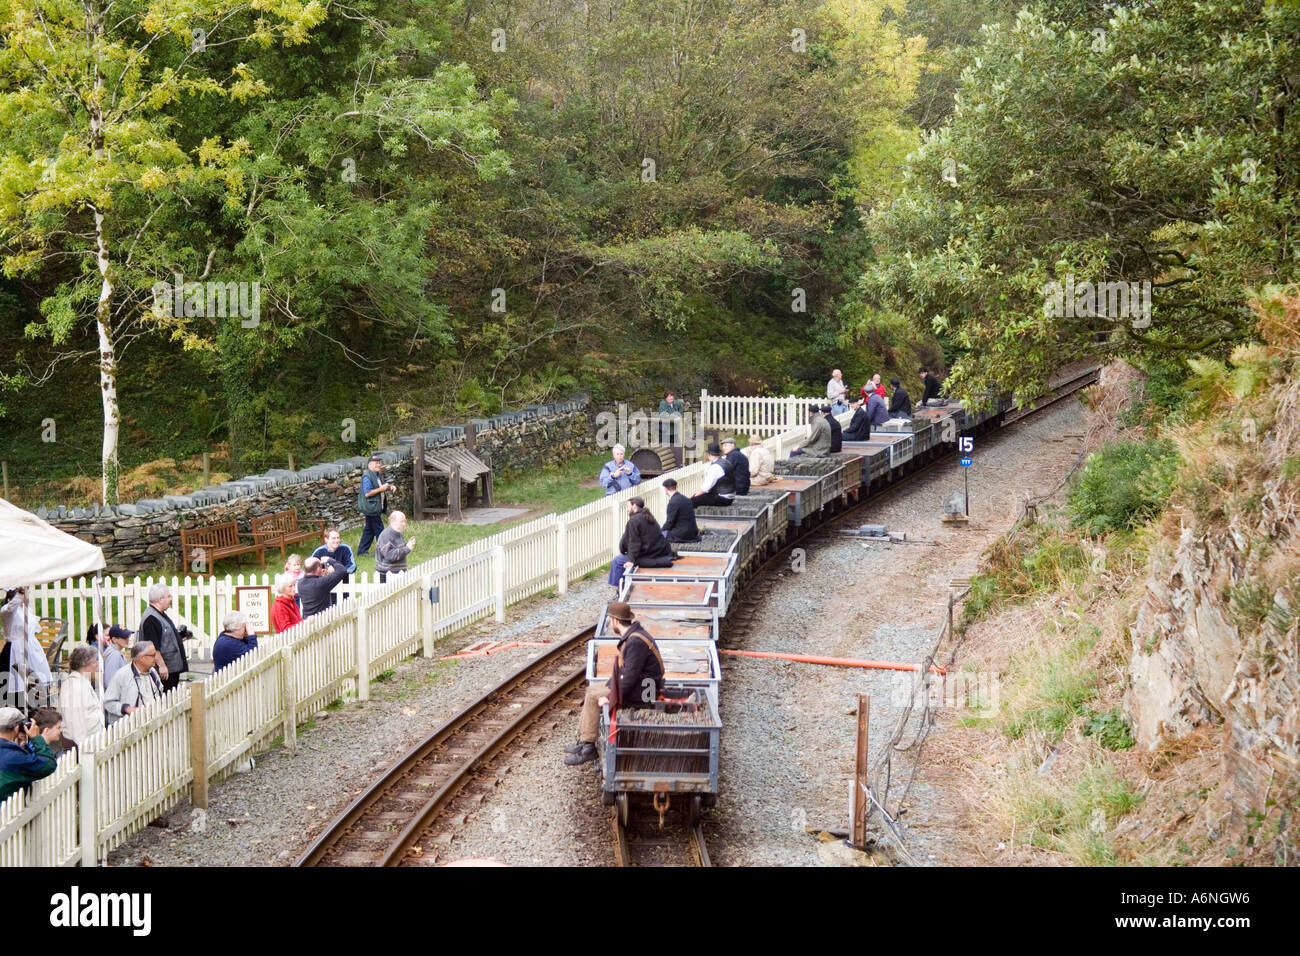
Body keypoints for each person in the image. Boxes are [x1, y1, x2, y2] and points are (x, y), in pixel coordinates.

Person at [563, 602, 664, 766]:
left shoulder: (635, 642)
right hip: (642, 684)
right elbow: (626, 671)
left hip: (646, 690)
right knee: (592, 690)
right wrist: (610, 684)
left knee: (595, 695)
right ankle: (584, 741)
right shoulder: (634, 635)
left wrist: (611, 697)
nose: (609, 624)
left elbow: (630, 676)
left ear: (616, 621)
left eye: (610, 620)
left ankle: (588, 747)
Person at [607, 498, 675, 592]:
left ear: (634, 506)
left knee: (617, 561)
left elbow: (634, 543)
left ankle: (621, 590)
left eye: (627, 506)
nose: (626, 509)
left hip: (647, 555)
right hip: (658, 552)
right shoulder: (648, 516)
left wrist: (631, 560)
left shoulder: (634, 520)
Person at [1, 587, 52, 710]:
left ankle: (34, 708)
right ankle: (17, 709)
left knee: (35, 682)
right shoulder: (7, 610)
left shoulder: (26, 609)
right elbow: (10, 608)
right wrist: (19, 593)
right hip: (15, 650)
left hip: (31, 650)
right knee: (15, 684)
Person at [137, 583, 190, 693]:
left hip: (171, 669)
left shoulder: (159, 614)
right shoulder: (151, 619)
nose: (170, 598)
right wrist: (162, 666)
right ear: (161, 599)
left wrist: (178, 639)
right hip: (165, 672)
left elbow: (162, 636)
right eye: (168, 596)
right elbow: (153, 647)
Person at [0, 706, 58, 802]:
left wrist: (22, 748)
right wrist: (36, 738)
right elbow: (48, 765)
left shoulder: (14, 753)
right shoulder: (14, 757)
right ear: (17, 728)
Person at [104, 641, 165, 723]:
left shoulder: (152, 672)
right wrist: (126, 709)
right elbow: (108, 702)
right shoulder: (122, 675)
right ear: (142, 658)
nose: (156, 658)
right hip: (129, 727)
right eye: (153, 655)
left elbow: (160, 692)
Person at [59, 645, 104, 748]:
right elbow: (74, 721)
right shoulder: (74, 686)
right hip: (79, 745)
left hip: (89, 742)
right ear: (85, 664)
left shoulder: (83, 682)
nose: (97, 664)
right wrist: (84, 747)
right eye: (94, 661)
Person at [356, 455, 394, 557]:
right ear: (370, 465)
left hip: (375, 507)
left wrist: (390, 487)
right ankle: (384, 551)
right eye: (376, 463)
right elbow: (367, 493)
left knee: (369, 530)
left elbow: (383, 485)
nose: (379, 464)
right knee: (380, 530)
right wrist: (381, 490)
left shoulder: (377, 474)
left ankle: (362, 551)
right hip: (371, 508)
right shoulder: (367, 476)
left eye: (379, 462)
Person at [312, 528, 356, 605]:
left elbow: (352, 566)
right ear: (326, 539)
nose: (336, 540)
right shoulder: (319, 552)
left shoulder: (345, 549)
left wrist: (337, 571)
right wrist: (321, 572)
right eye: (333, 538)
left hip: (344, 584)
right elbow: (311, 569)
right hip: (325, 586)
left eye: (338, 538)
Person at [375, 511, 416, 583]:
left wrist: (407, 544)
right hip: (387, 574)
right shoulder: (386, 535)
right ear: (393, 521)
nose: (404, 524)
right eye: (402, 522)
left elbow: (397, 549)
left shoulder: (397, 533)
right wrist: (407, 548)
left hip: (396, 573)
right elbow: (390, 556)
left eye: (405, 521)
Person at [660, 479, 700, 543]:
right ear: (676, 487)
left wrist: (660, 532)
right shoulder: (686, 499)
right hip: (693, 534)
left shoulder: (673, 502)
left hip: (681, 535)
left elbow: (669, 522)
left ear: (666, 489)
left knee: (657, 536)